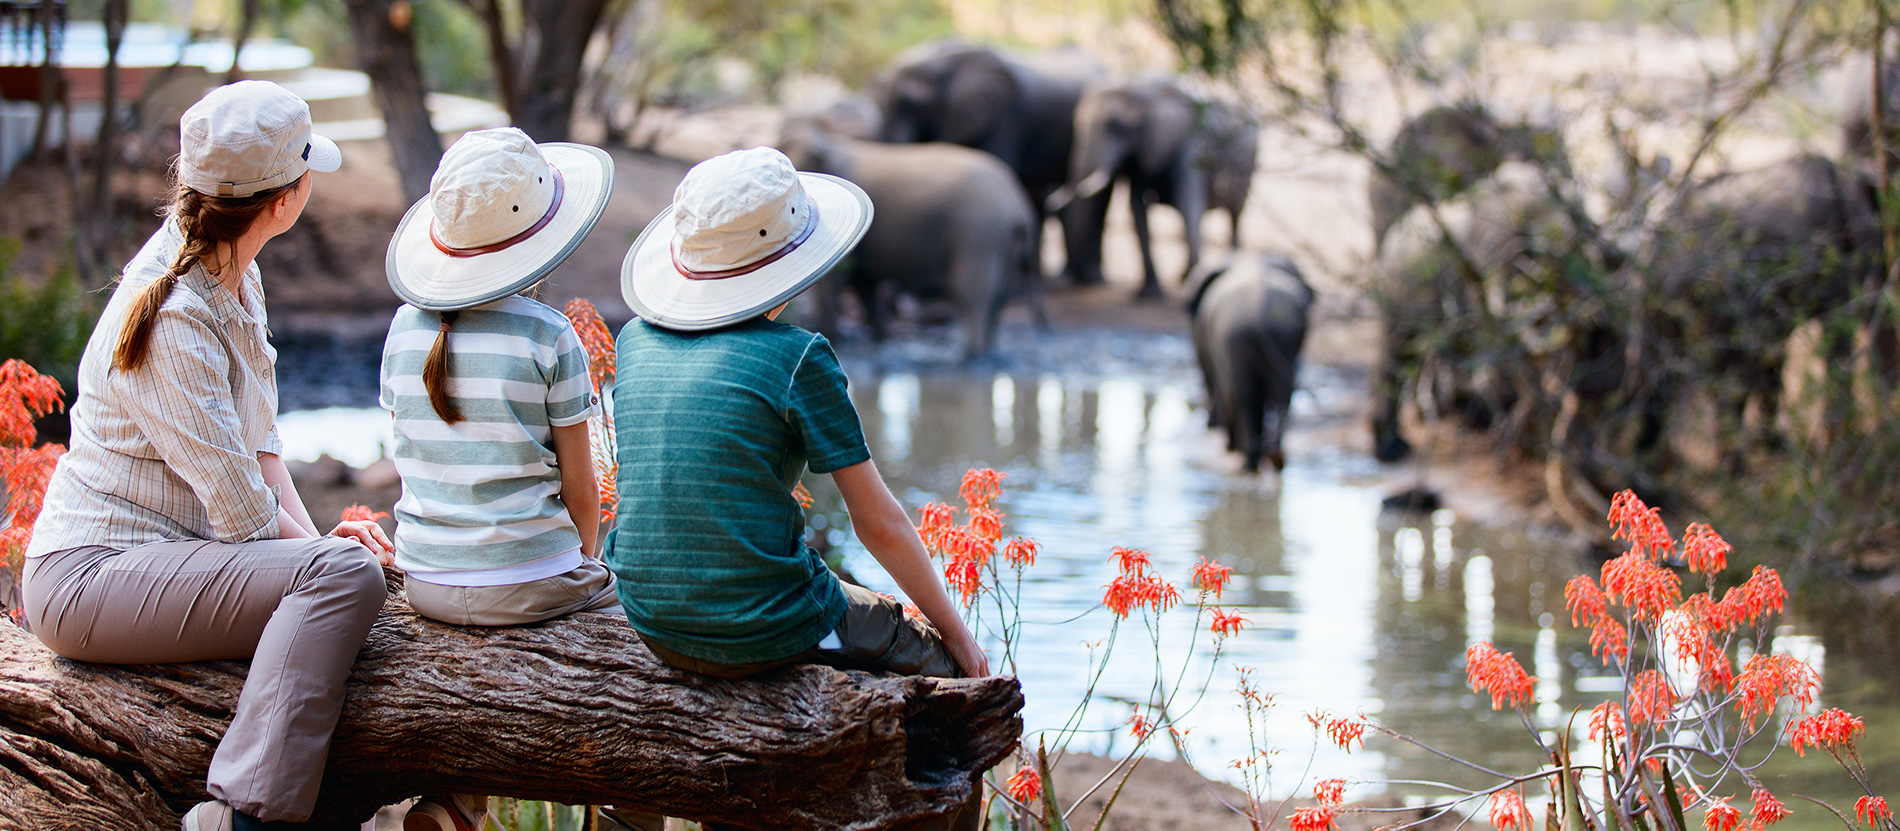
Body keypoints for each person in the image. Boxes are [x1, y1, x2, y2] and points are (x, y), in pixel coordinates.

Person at [19, 81, 394, 831]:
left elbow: (260, 447)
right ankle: (244, 817)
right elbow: (241, 515)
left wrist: (315, 548)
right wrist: (320, 558)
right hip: (90, 577)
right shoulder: (174, 314)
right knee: (346, 573)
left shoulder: (234, 271)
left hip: (162, 560)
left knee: (339, 567)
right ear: (286, 199)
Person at [611, 147, 991, 831]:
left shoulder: (635, 337)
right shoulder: (798, 355)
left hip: (647, 615)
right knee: (944, 676)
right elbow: (879, 524)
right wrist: (962, 640)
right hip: (764, 624)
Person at [377, 126, 629, 831]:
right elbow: (583, 492)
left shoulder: (402, 328)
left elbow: (410, 452)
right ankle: (628, 814)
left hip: (426, 578)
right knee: (646, 638)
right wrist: (586, 565)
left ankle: (457, 805)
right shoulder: (549, 335)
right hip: (534, 579)